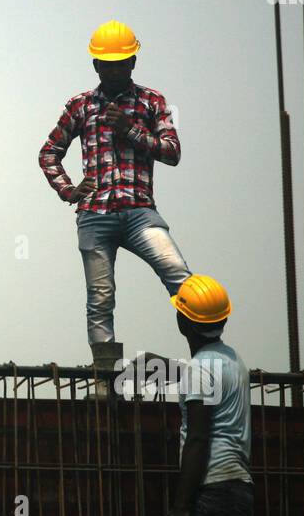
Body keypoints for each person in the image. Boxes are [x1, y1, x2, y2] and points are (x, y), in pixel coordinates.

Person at [38, 19, 191, 362]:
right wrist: (70, 191)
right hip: (95, 214)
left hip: (139, 211)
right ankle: (106, 375)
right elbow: (49, 152)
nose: (114, 71)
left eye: (120, 64)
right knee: (100, 297)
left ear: (133, 62)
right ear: (96, 65)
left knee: (179, 276)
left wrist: (132, 131)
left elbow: (172, 152)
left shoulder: (151, 102)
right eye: (107, 65)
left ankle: (207, 353)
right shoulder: (80, 106)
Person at [138, 274, 253, 516]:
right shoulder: (234, 360)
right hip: (235, 490)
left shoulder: (201, 369)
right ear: (222, 320)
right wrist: (158, 364)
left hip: (213, 491)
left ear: (183, 323)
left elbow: (198, 439)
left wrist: (180, 509)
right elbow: (205, 378)